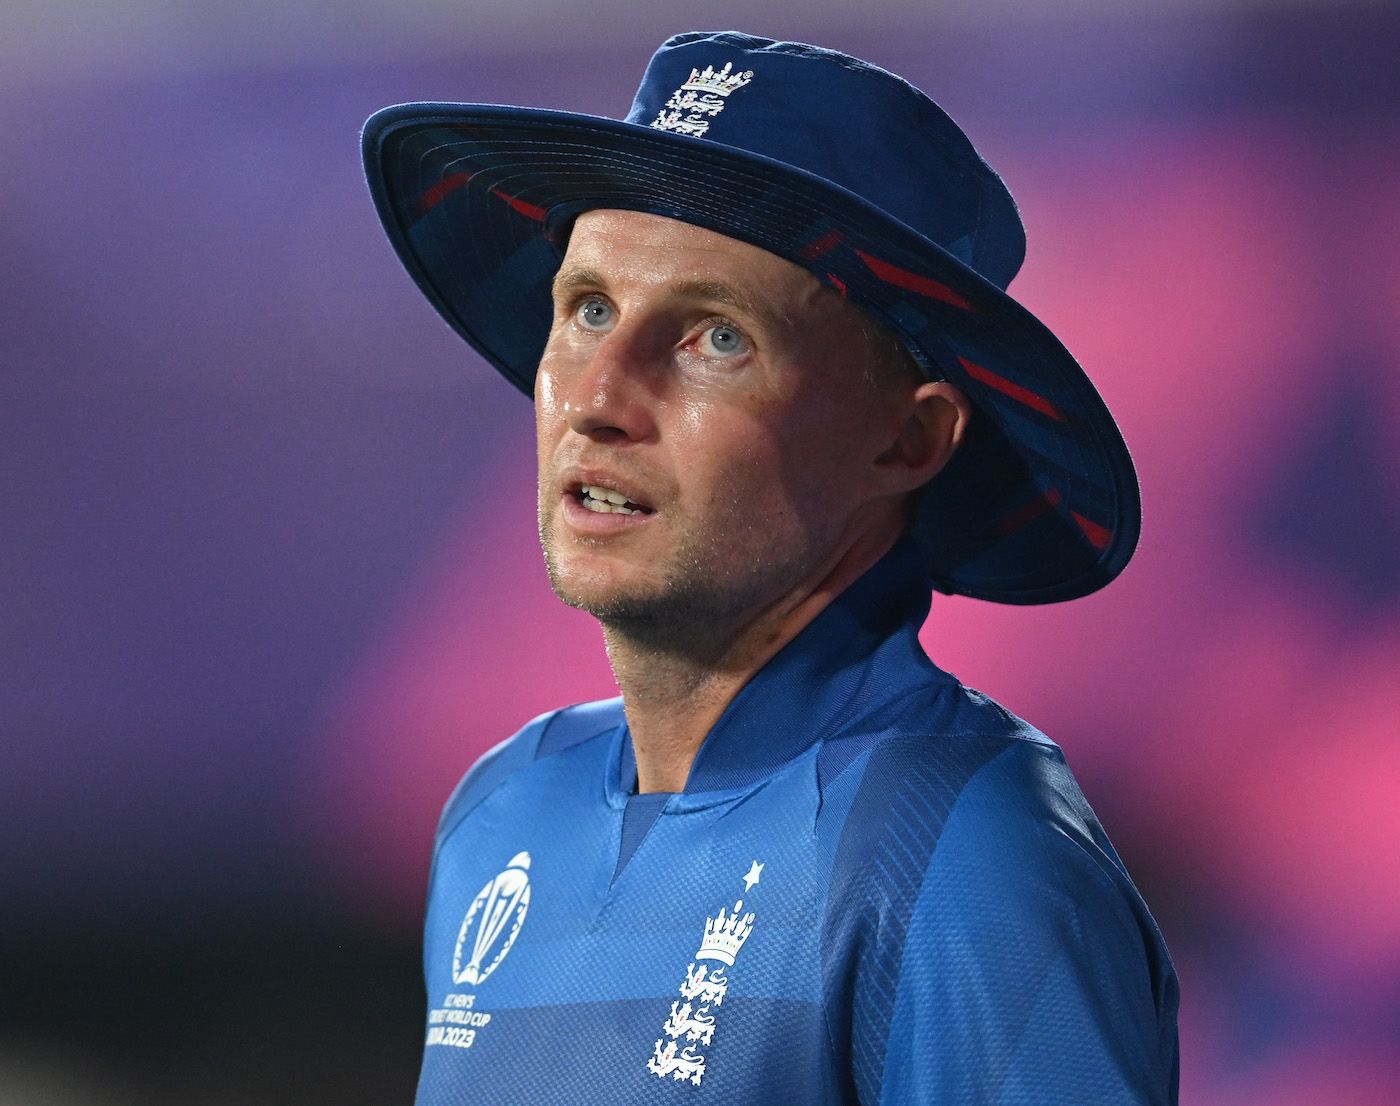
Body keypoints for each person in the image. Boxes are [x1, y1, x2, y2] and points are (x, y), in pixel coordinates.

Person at [363, 30, 1179, 1105]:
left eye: (713, 337)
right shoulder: (503, 811)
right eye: (590, 309)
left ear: (907, 440)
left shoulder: (970, 860)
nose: (597, 398)